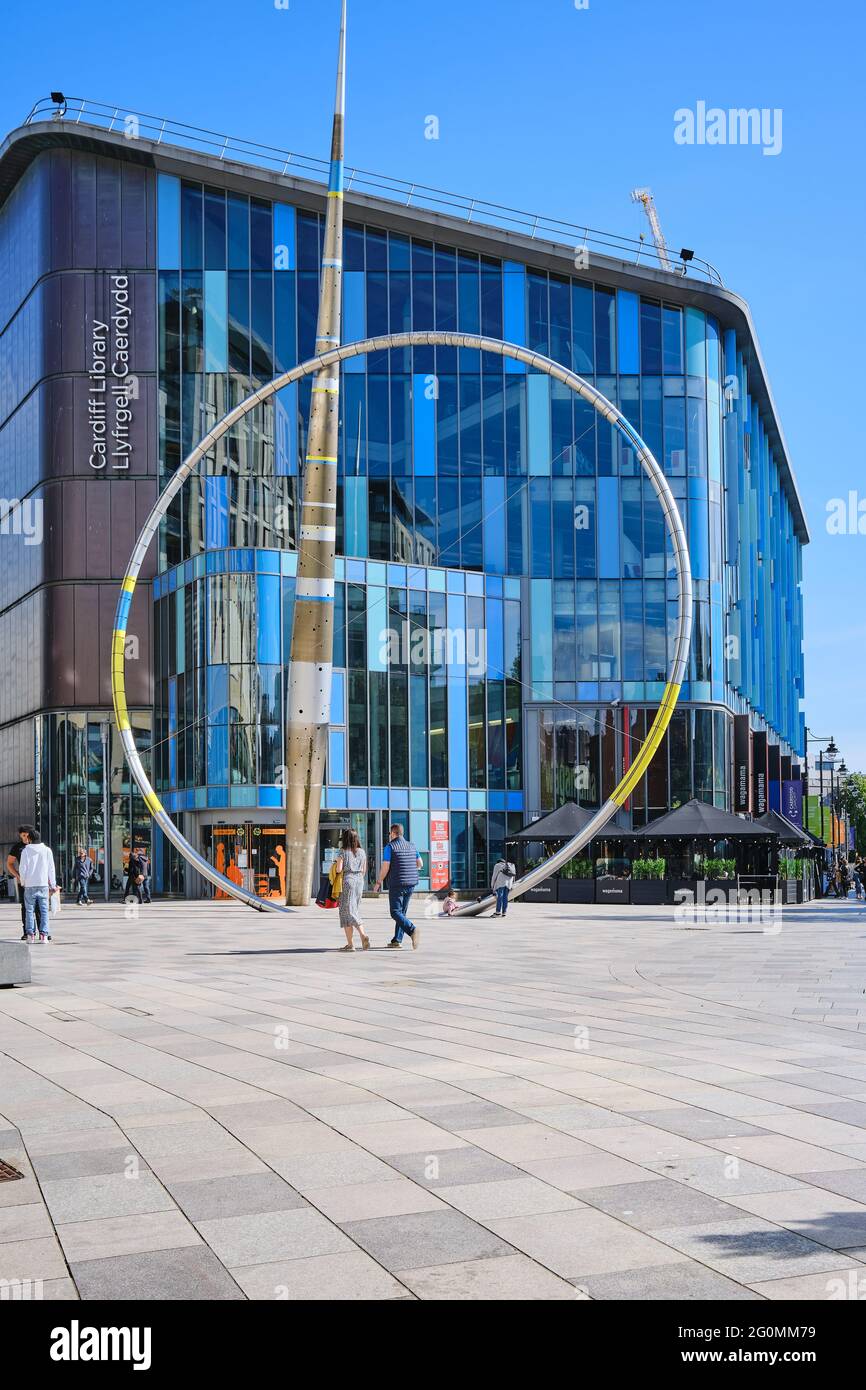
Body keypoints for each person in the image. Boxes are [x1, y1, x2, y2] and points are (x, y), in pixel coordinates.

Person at [376, 823, 423, 950]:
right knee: (402, 912)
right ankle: (397, 940)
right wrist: (410, 870)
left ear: (393, 833)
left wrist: (379, 882)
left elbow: (385, 867)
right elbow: (420, 864)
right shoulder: (412, 846)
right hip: (411, 883)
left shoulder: (390, 847)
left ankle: (412, 930)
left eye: (390, 833)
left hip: (397, 884)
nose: (389, 836)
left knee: (395, 912)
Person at [334, 829, 370, 951]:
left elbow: (338, 869)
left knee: (347, 912)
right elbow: (364, 871)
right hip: (359, 881)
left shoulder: (343, 852)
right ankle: (350, 944)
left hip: (348, 881)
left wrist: (335, 864)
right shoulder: (362, 852)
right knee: (354, 909)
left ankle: (361, 936)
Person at [18, 830, 57, 942]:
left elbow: (22, 868)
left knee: (29, 910)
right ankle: (44, 935)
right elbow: (51, 869)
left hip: (30, 885)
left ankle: (30, 935)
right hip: (43, 884)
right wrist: (53, 884)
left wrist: (23, 881)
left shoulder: (25, 851)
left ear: (30, 839)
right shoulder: (47, 850)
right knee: (44, 910)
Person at [7, 826, 43, 940]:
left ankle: (43, 932)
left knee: (39, 907)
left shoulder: (39, 847)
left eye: (27, 835)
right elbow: (9, 863)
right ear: (20, 835)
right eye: (23, 835)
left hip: (38, 881)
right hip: (24, 882)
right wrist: (17, 875)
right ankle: (27, 932)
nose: (25, 838)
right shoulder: (17, 848)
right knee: (25, 907)